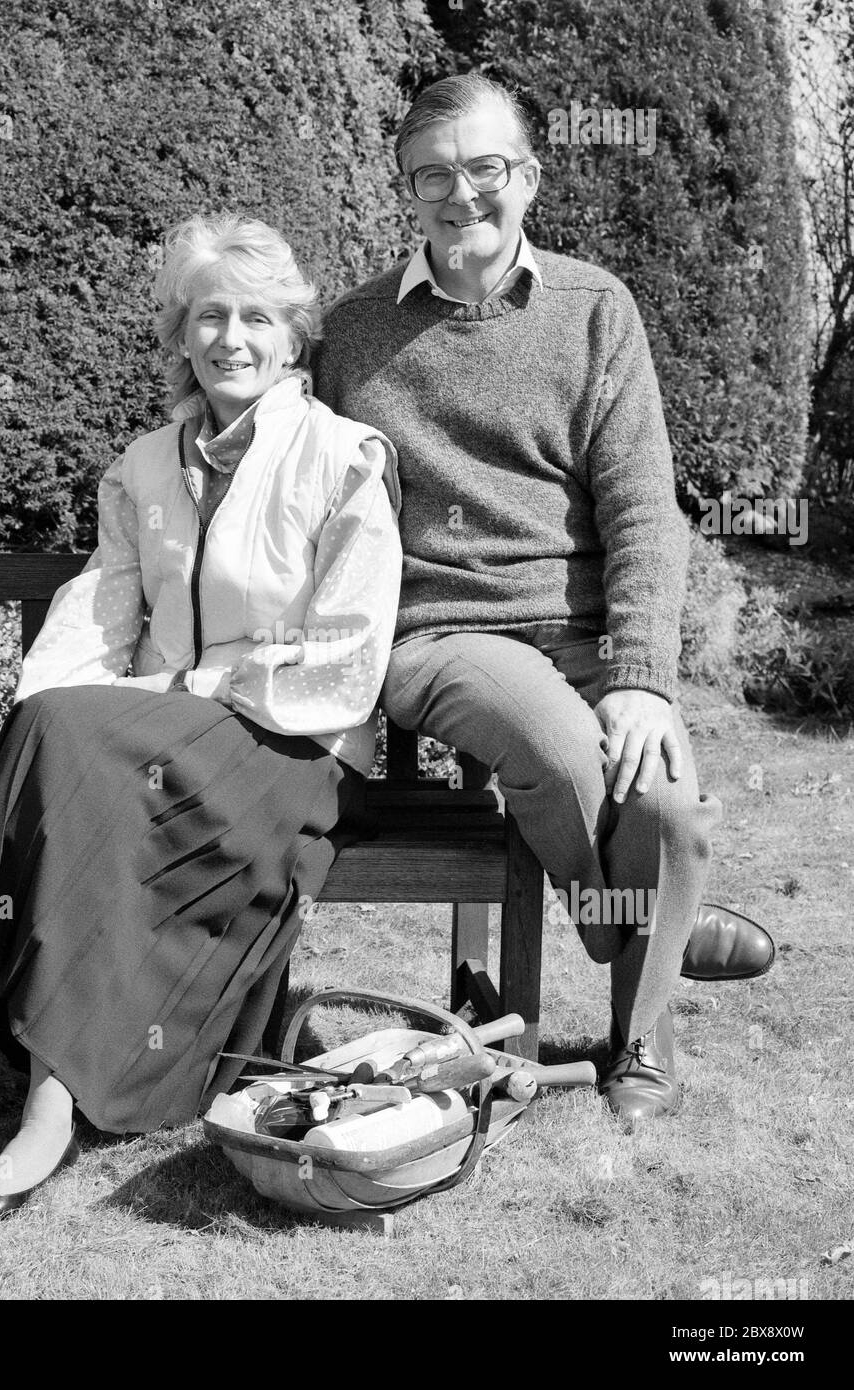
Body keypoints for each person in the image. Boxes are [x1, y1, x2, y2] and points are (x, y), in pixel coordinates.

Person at [0, 213, 403, 1217]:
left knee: (83, 732)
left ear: (293, 336)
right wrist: (68, 706)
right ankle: (38, 1084)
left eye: (257, 316)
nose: (232, 338)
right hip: (162, 740)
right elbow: (100, 606)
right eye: (209, 314)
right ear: (180, 333)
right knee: (56, 718)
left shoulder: (344, 459)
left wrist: (168, 696)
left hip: (288, 746)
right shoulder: (142, 466)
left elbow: (343, 664)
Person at [313, 74, 774, 1128]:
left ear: (528, 177)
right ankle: (658, 930)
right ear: (406, 191)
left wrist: (642, 680)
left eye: (485, 168)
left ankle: (638, 1044)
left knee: (659, 796)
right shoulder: (349, 335)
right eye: (433, 174)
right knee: (567, 753)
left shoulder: (594, 309)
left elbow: (644, 511)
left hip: (578, 630)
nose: (459, 193)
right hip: (441, 635)